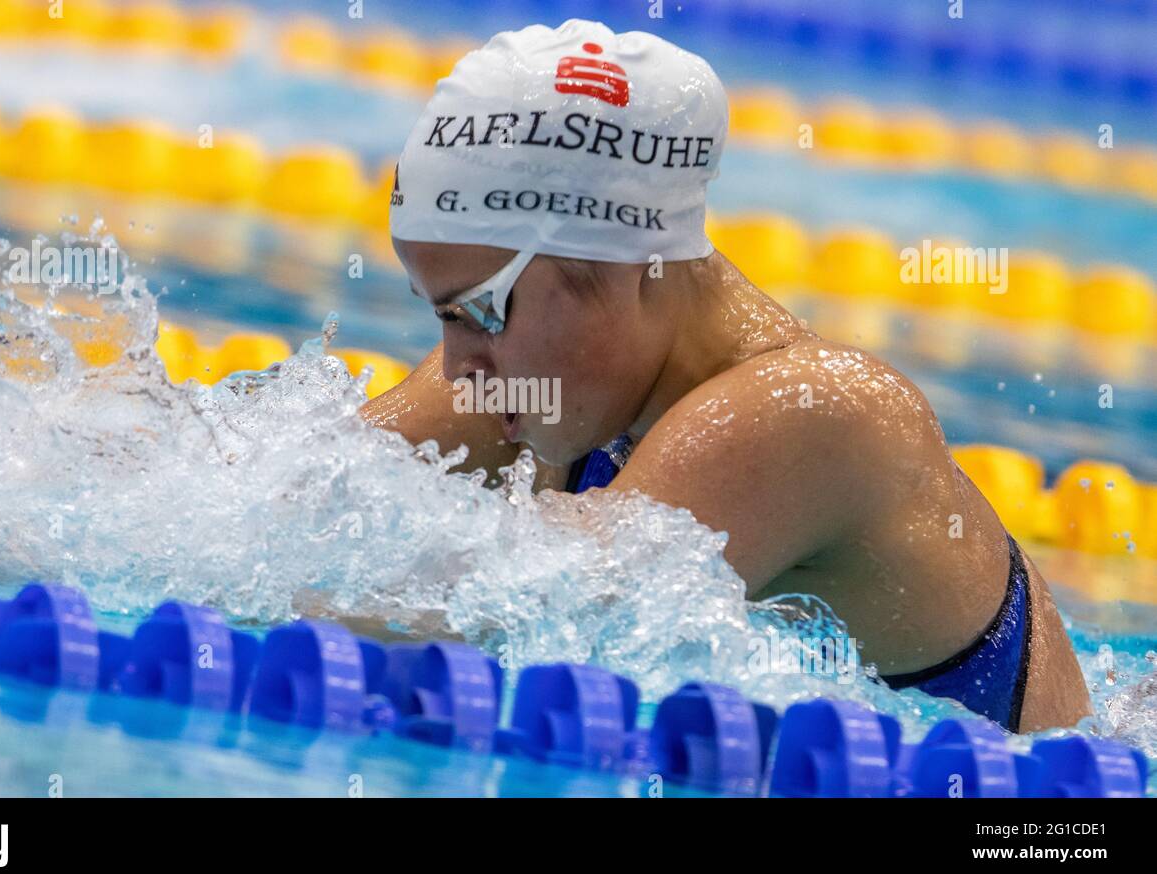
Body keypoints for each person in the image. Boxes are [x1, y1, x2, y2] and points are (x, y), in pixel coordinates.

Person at [360, 19, 1090, 732]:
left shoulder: (818, 414)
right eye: (443, 316)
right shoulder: (528, 370)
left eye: (477, 311)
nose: (459, 367)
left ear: (624, 267)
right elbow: (292, 497)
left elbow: (541, 613)